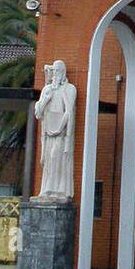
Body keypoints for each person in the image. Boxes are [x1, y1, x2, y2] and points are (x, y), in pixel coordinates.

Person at [34, 60, 77, 199]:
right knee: (48, 161)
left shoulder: (69, 89)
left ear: (63, 72)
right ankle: (47, 190)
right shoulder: (47, 90)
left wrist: (61, 127)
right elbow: (38, 113)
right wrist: (46, 99)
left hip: (61, 133)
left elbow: (69, 111)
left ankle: (60, 190)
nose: (55, 74)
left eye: (58, 70)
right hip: (48, 133)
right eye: (54, 70)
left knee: (56, 157)